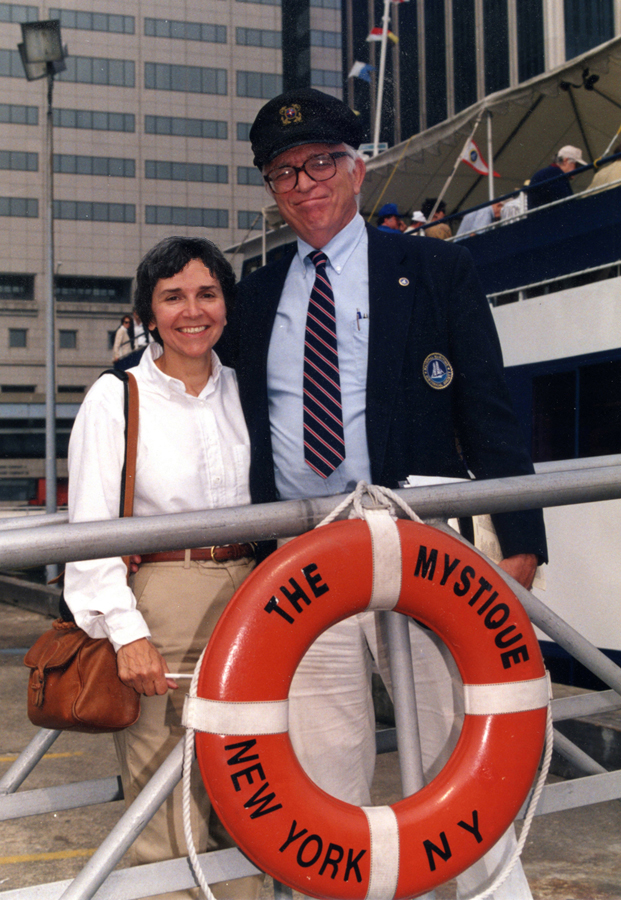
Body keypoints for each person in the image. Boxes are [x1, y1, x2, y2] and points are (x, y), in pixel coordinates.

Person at [220, 86, 547, 900]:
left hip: (423, 546)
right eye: (284, 171)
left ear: (357, 169)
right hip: (302, 551)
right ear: (271, 189)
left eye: (321, 162)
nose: (304, 183)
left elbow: (487, 405)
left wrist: (520, 539)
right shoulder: (252, 294)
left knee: (457, 760)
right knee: (321, 777)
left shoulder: (435, 268)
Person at [63, 237, 259, 900]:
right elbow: (91, 530)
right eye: (172, 297)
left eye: (206, 294)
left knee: (254, 797)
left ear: (226, 306)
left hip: (256, 602)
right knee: (164, 806)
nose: (192, 311)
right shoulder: (116, 399)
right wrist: (126, 632)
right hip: (163, 603)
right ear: (148, 313)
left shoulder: (248, 391)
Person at [527, 145, 586, 209]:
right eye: (576, 165)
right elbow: (567, 204)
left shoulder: (547, 173)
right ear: (566, 161)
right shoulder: (556, 174)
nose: (576, 170)